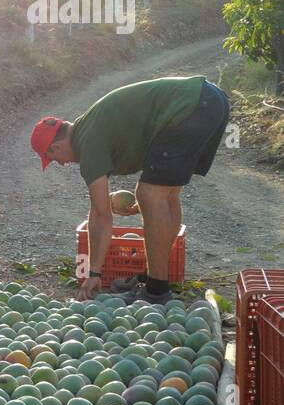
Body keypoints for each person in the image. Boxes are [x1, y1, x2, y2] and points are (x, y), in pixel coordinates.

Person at [29, 75, 231, 303]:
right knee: (166, 194)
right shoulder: (88, 128)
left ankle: (156, 292)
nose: (62, 163)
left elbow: (100, 215)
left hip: (191, 106)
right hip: (209, 100)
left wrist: (94, 273)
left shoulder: (88, 144)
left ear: (56, 147)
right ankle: (155, 277)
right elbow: (102, 208)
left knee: (148, 193)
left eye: (53, 158)